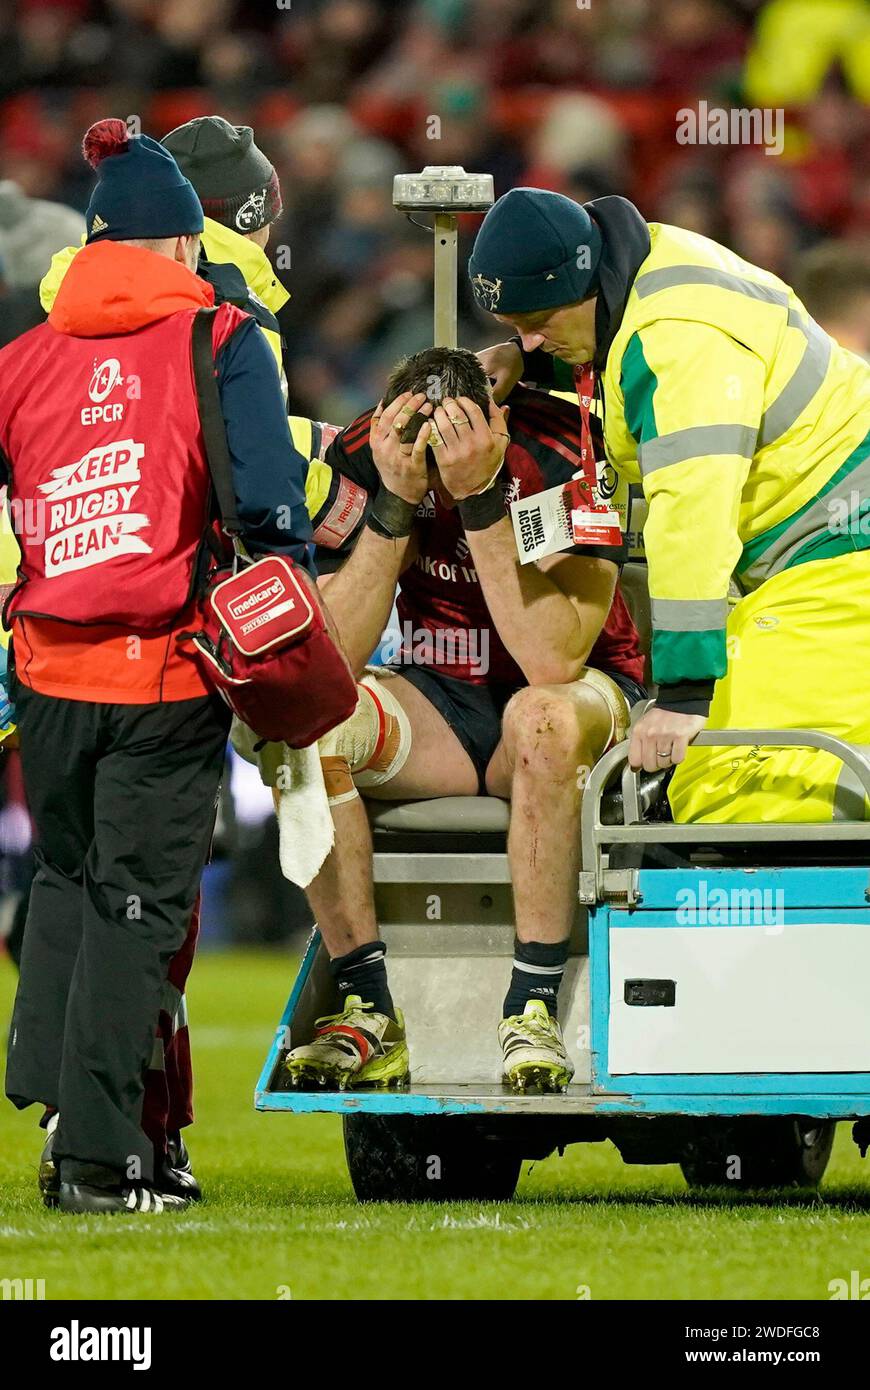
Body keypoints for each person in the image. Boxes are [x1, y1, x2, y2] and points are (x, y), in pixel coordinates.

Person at [0, 120, 313, 1215]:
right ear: (183, 245)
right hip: (163, 672)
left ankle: (46, 1108)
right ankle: (101, 1160)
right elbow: (270, 501)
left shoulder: (22, 355)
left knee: (66, 889)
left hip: (44, 674)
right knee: (140, 911)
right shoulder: (218, 338)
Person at [239, 346, 645, 1093]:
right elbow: (333, 661)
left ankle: (533, 1009)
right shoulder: (378, 448)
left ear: (493, 425)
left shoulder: (560, 456)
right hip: (443, 699)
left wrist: (483, 499)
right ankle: (365, 1005)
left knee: (542, 720)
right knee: (304, 724)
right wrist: (393, 509)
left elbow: (553, 657)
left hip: (580, 688)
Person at [471, 189, 870, 823]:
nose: (530, 341)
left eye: (540, 320)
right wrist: (532, 361)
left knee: (737, 790)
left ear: (582, 284)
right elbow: (627, 376)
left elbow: (693, 513)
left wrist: (684, 695)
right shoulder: (642, 273)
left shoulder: (675, 339)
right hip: (816, 559)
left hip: (844, 561)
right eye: (515, 327)